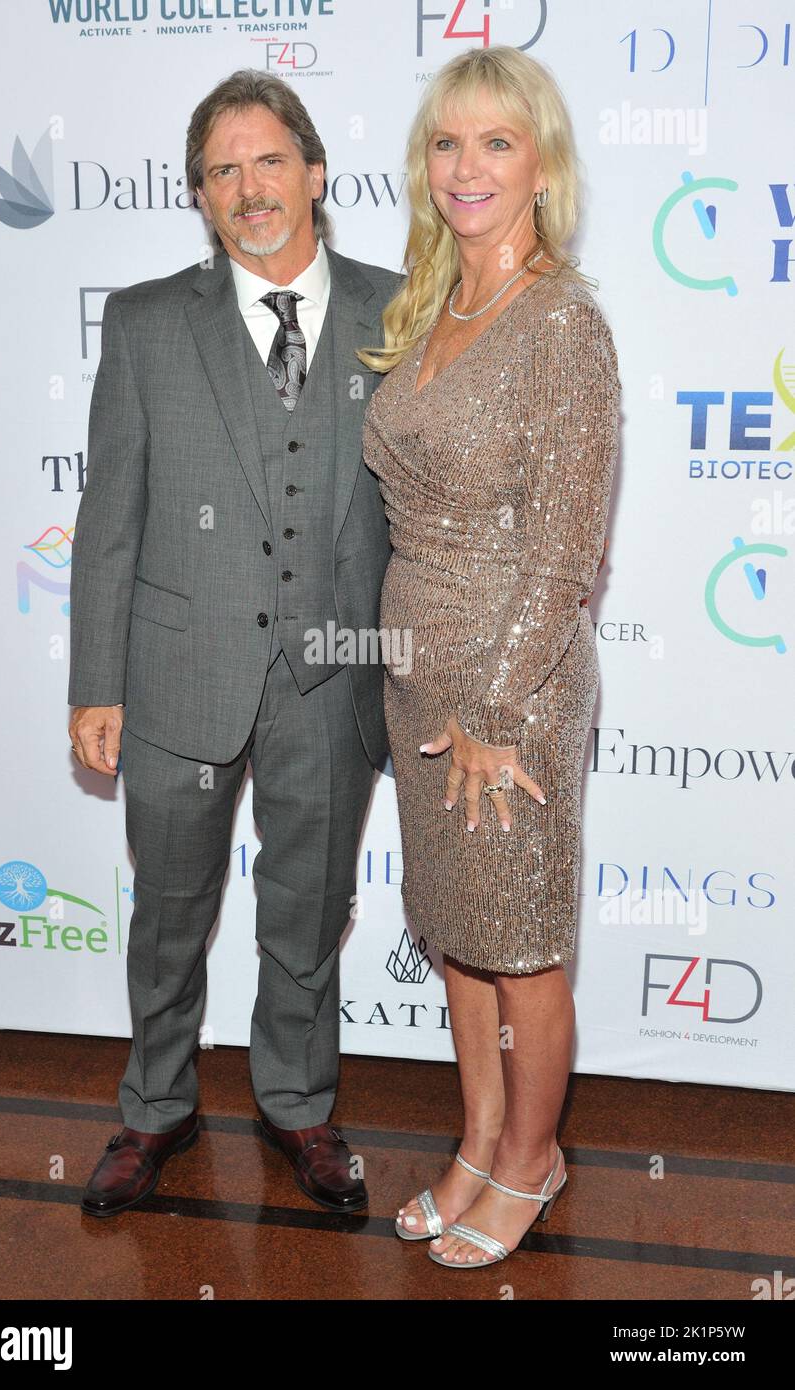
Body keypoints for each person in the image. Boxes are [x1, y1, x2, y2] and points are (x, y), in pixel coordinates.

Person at [67, 70, 401, 1217]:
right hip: (174, 671)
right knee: (168, 911)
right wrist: (94, 683)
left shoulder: (399, 312)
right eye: (222, 171)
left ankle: (300, 1105)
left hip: (333, 678)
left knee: (307, 914)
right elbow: (109, 513)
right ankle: (154, 1106)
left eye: (268, 162)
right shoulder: (150, 321)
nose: (248, 189)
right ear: (201, 197)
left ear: (315, 174)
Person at [360, 45, 621, 1267]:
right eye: (447, 143)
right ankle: (475, 1141)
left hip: (511, 686)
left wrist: (495, 709)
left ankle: (532, 1159)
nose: (467, 166)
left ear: (540, 168)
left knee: (520, 946)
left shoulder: (562, 322)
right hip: (418, 674)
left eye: (496, 143)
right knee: (457, 932)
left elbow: (567, 545)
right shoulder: (427, 308)